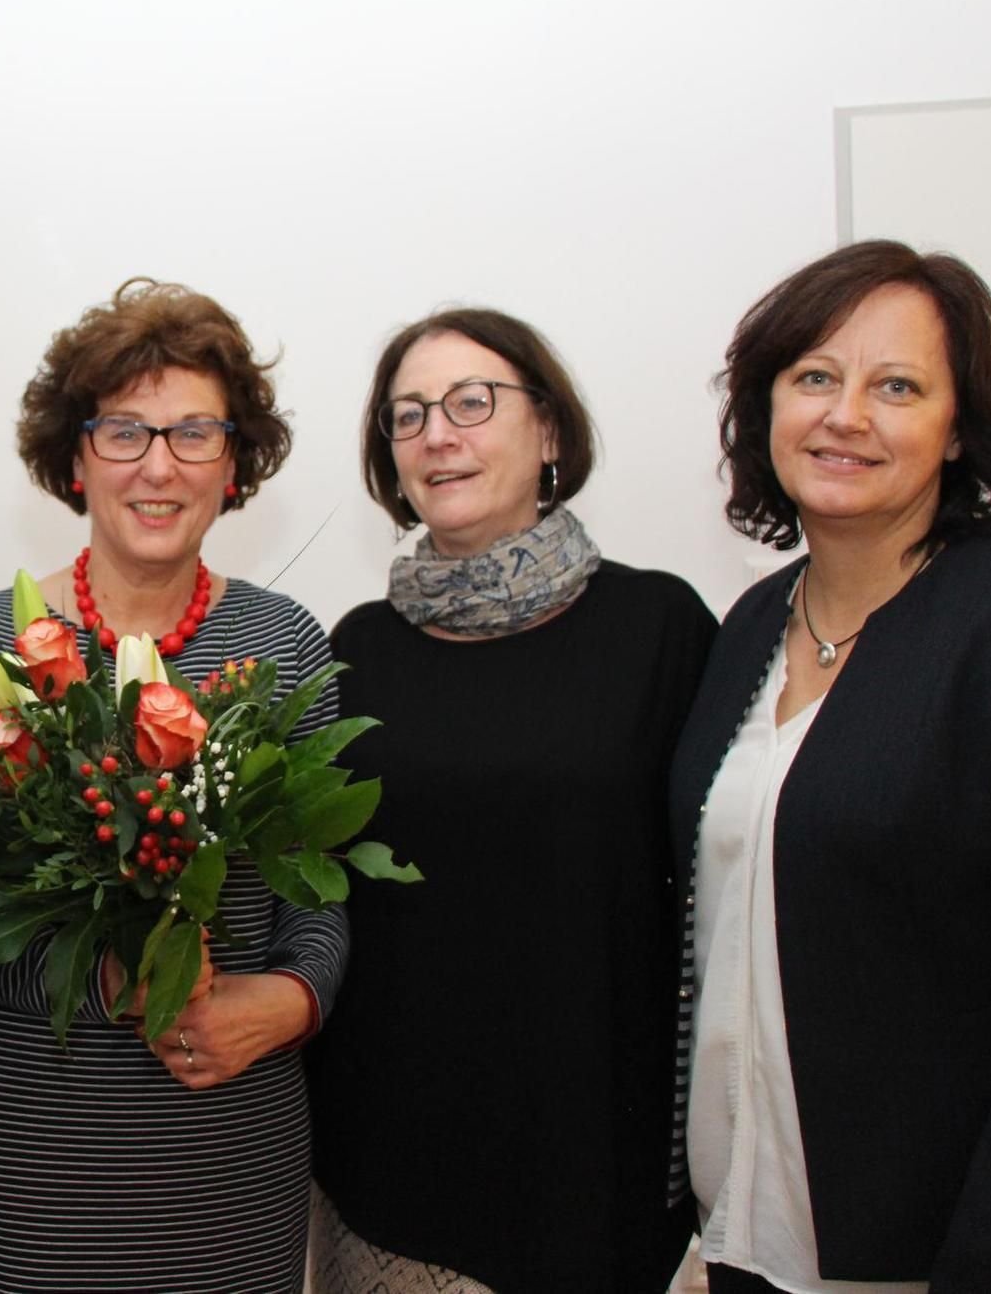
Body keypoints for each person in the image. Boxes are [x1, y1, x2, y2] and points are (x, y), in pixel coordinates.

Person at [0, 277, 348, 1293]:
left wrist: (286, 1001)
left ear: (233, 463)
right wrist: (103, 978)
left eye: (194, 433)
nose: (159, 466)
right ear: (73, 457)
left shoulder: (282, 644)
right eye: (123, 432)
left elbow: (320, 895)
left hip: (229, 1131)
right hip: (33, 1142)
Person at [670, 240, 991, 1292]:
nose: (844, 415)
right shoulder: (749, 622)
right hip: (745, 1243)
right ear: (764, 410)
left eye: (895, 386)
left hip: (944, 1253)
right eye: (812, 378)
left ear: (955, 428)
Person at [306, 308, 716, 1293]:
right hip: (388, 1175)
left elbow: (719, 897)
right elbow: (315, 896)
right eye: (406, 416)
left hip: (594, 1159)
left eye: (470, 402)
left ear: (547, 431)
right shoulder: (353, 647)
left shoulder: (657, 626)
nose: (436, 433)